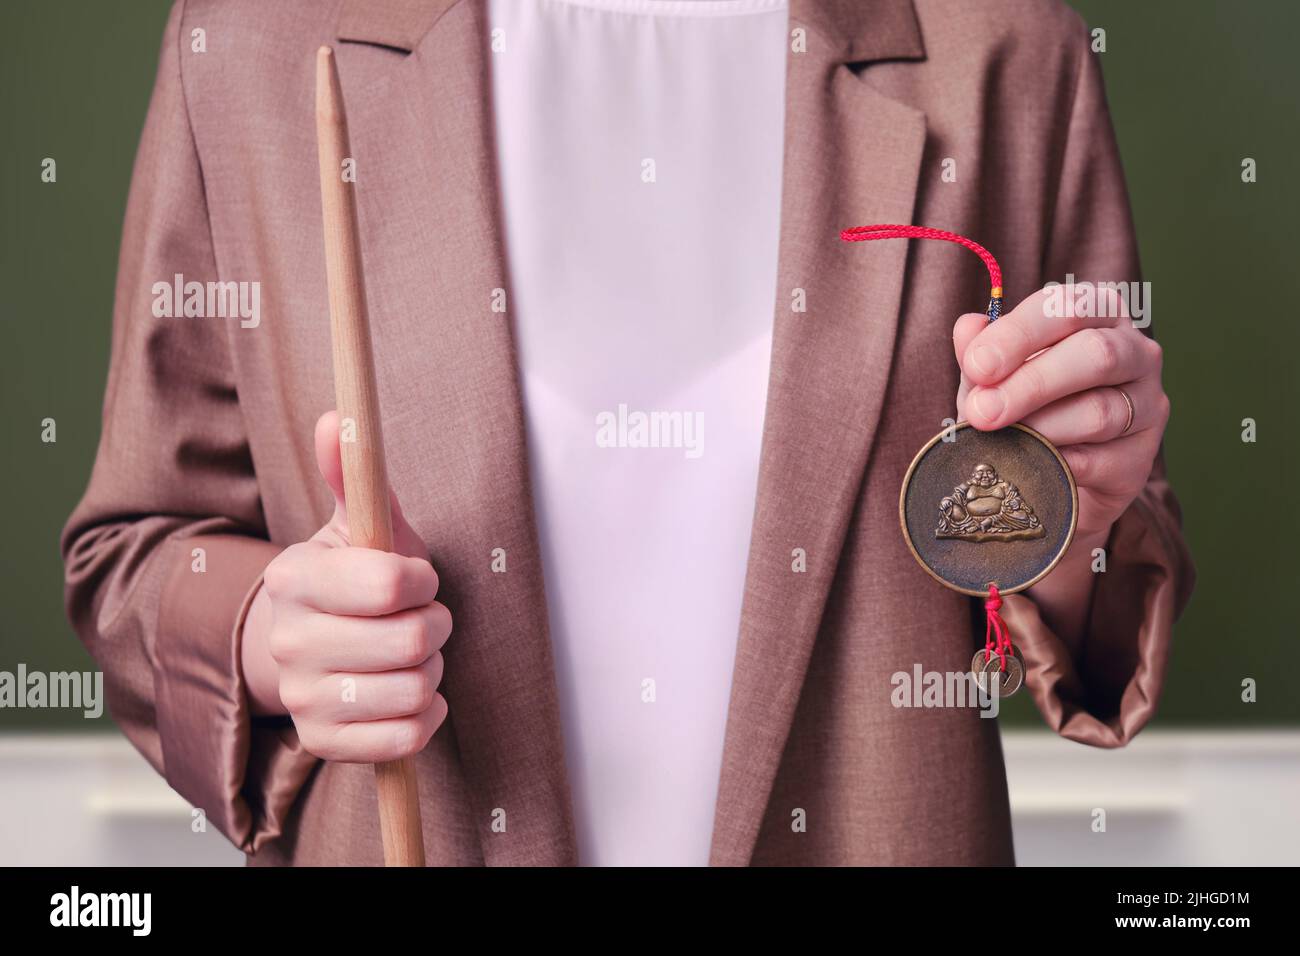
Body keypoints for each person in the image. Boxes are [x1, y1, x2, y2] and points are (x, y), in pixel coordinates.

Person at [62, 0, 1194, 866]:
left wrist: (1080, 515)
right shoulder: (255, 38)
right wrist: (269, 629)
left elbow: (1095, 587)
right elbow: (136, 553)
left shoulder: (1001, 40)